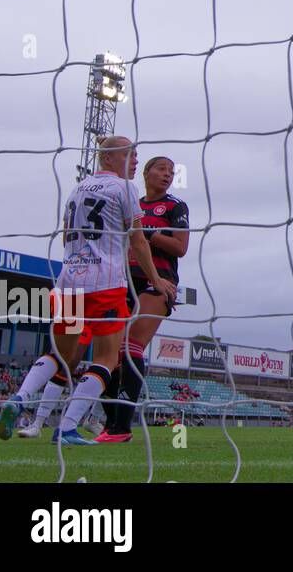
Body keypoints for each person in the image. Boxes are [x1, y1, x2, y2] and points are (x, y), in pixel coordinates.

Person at [0, 137, 175, 444]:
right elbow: (137, 239)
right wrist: (155, 280)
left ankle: (20, 397)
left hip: (69, 282)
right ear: (110, 159)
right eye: (130, 156)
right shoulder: (124, 188)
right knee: (107, 358)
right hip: (105, 283)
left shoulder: (78, 189)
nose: (134, 162)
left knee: (62, 356)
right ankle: (66, 428)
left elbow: (67, 234)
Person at [97, 156, 188, 442]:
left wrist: (149, 234)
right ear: (147, 173)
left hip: (158, 282)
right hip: (123, 281)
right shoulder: (132, 202)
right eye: (161, 169)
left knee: (131, 345)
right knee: (110, 353)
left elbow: (180, 247)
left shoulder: (175, 206)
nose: (167, 175)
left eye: (172, 172)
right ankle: (111, 423)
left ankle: (122, 427)